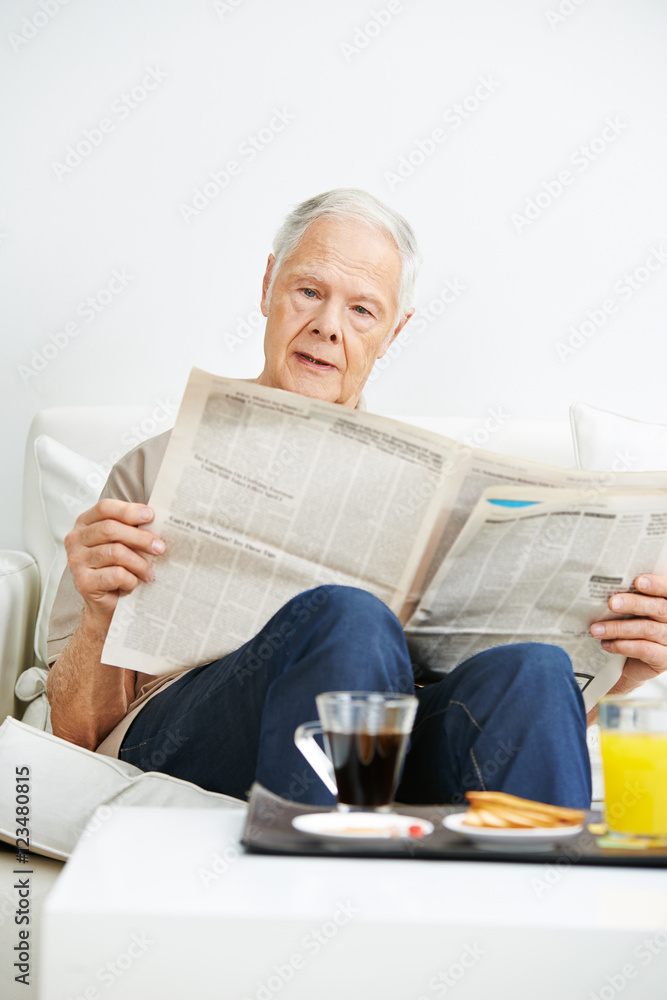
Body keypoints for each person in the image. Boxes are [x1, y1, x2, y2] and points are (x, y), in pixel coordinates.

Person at [45, 189, 667, 811]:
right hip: (193, 733)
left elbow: (521, 728)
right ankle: (320, 890)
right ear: (268, 287)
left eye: (363, 310)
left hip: (382, 739)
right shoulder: (154, 468)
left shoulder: (431, 490)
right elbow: (75, 734)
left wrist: (628, 670)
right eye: (309, 292)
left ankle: (534, 902)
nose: (329, 326)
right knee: (351, 619)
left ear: (394, 332)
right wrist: (100, 614)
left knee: (535, 671)